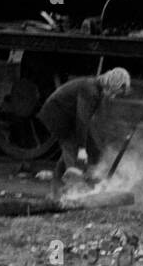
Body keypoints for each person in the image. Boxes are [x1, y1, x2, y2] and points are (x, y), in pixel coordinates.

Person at [37, 67, 132, 199]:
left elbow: (97, 121)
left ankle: (56, 192)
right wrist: (82, 148)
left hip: (68, 116)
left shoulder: (97, 90)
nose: (115, 96)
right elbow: (82, 119)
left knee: (81, 149)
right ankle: (70, 193)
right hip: (57, 114)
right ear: (113, 84)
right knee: (72, 149)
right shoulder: (90, 90)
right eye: (116, 92)